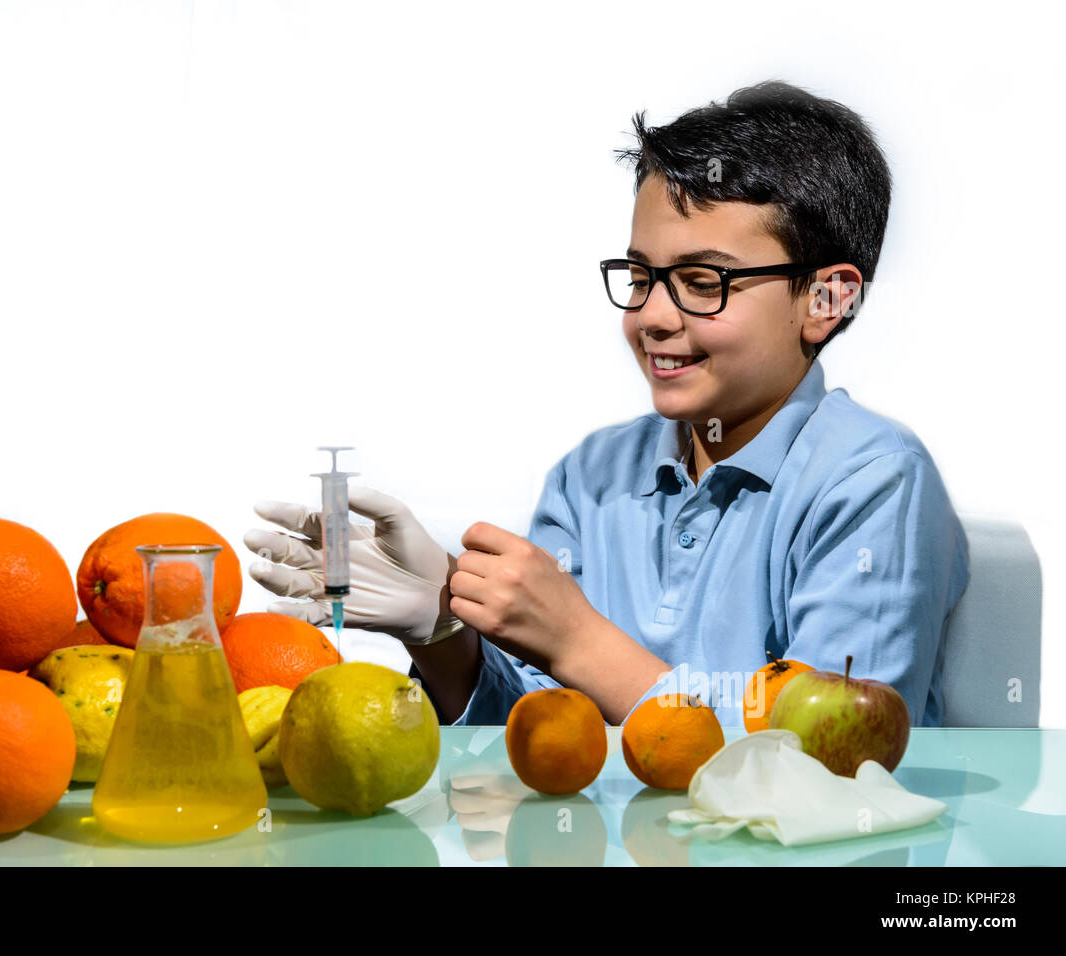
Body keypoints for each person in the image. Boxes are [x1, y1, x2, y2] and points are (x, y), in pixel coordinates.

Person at [243, 79, 969, 729]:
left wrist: (579, 640)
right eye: (641, 274)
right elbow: (534, 731)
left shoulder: (873, 481)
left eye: (703, 280)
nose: (652, 315)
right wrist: (445, 634)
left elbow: (826, 749)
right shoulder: (592, 475)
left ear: (825, 298)